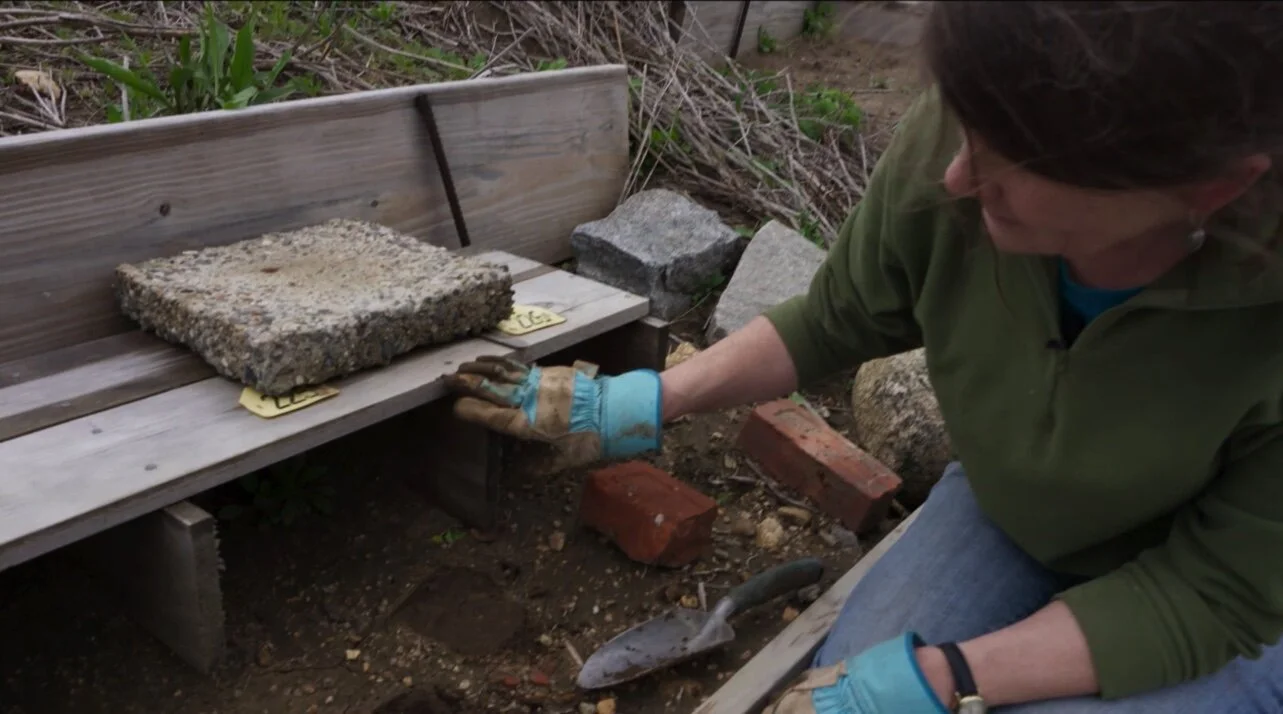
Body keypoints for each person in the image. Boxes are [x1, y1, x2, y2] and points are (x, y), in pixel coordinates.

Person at [444, 2, 1283, 712]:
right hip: (1015, 508)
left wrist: (943, 678)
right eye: (965, 126)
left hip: (1219, 593)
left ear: (1207, 187)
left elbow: (1212, 593)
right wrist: (636, 402)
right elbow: (838, 317)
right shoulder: (978, 126)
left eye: (1017, 159)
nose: (955, 177)